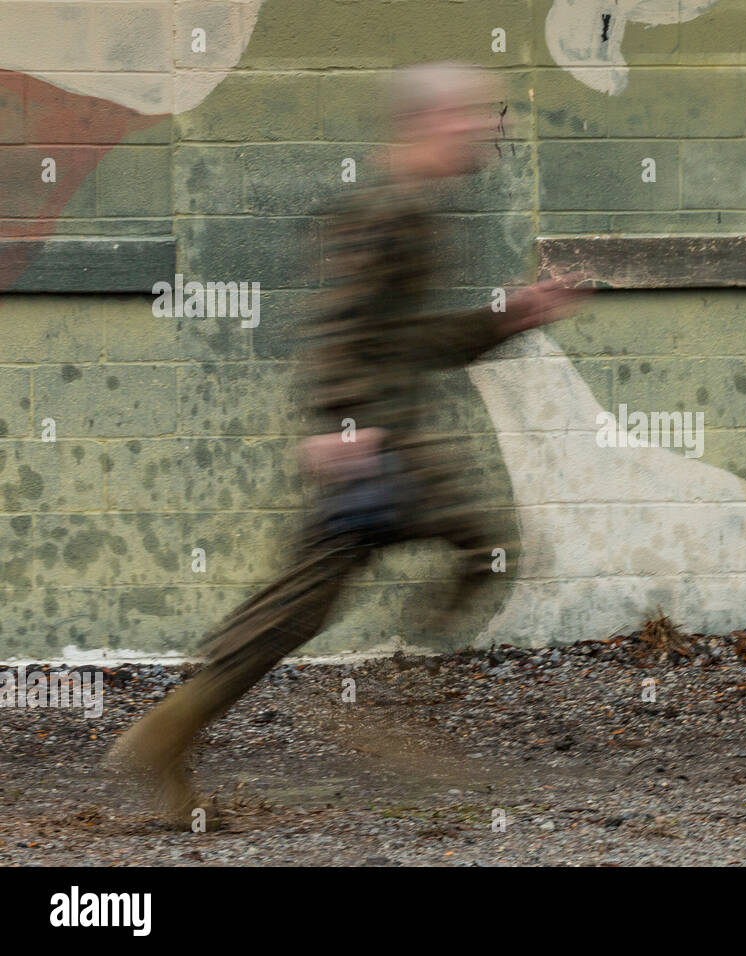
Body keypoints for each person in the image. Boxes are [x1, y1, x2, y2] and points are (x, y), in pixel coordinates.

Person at [107, 62, 588, 826]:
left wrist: (509, 319)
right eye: (465, 119)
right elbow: (336, 325)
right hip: (375, 443)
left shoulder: (415, 212)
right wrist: (335, 425)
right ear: (426, 124)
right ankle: (393, 701)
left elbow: (407, 339)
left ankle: (168, 737)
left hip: (381, 439)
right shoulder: (384, 214)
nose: (479, 132)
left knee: (301, 605)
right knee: (482, 545)